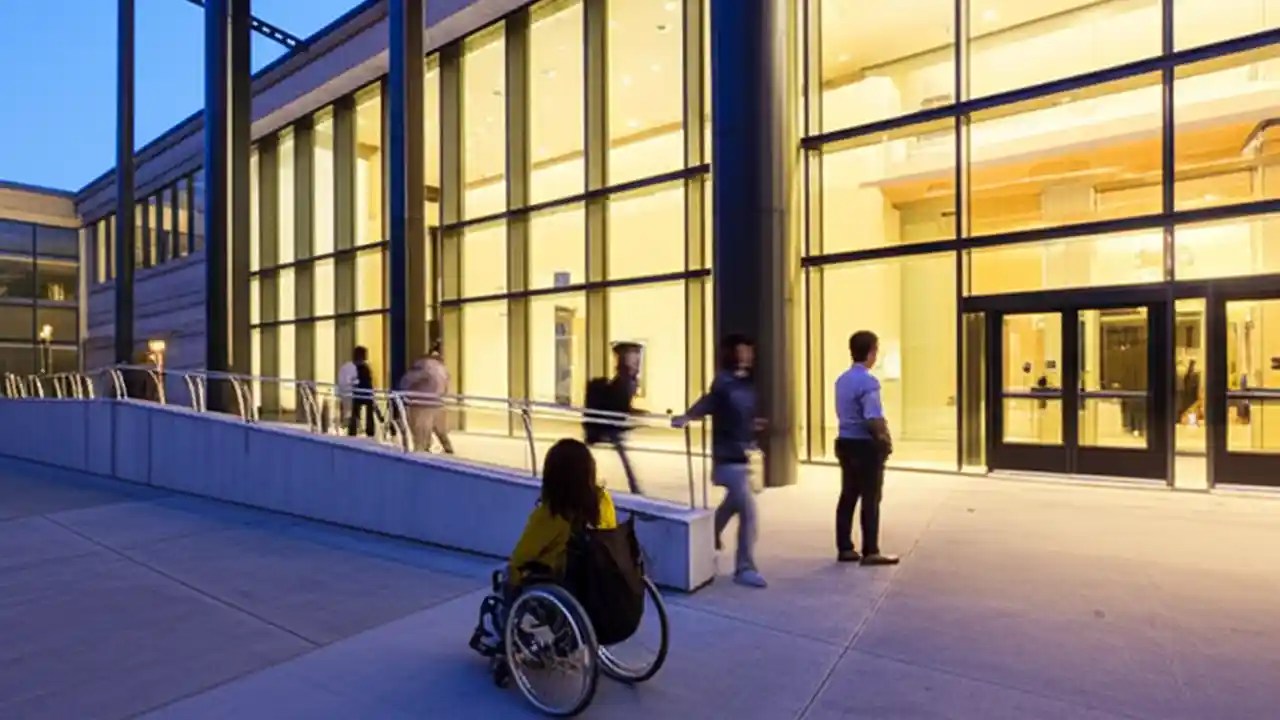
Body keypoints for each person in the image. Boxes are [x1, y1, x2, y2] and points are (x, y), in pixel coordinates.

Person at [673, 334, 768, 589]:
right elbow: (709, 402)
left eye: (749, 351)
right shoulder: (724, 382)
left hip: (744, 457)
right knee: (749, 511)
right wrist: (687, 416)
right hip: (727, 459)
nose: (747, 356)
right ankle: (745, 568)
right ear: (732, 354)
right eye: (742, 351)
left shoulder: (748, 384)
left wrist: (754, 426)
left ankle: (710, 533)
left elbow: (742, 416)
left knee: (733, 504)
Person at [507, 438, 617, 589]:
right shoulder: (603, 501)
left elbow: (520, 558)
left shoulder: (552, 514)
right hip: (602, 583)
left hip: (565, 587)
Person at [834, 330, 899, 566]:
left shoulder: (842, 380)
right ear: (871, 352)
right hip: (865, 445)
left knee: (848, 495)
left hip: (845, 441)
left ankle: (845, 547)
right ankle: (871, 550)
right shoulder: (868, 382)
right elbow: (873, 417)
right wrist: (884, 440)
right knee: (871, 498)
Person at [585, 343, 645, 495]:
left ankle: (635, 487)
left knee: (621, 455)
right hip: (611, 424)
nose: (637, 361)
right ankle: (635, 488)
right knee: (622, 456)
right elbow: (620, 403)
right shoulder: (625, 380)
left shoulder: (629, 380)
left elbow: (623, 404)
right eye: (633, 356)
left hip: (613, 422)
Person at [346, 346, 378, 437]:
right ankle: (367, 431)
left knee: (358, 412)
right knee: (363, 413)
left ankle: (355, 430)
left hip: (361, 393)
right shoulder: (362, 368)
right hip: (362, 393)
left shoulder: (358, 367)